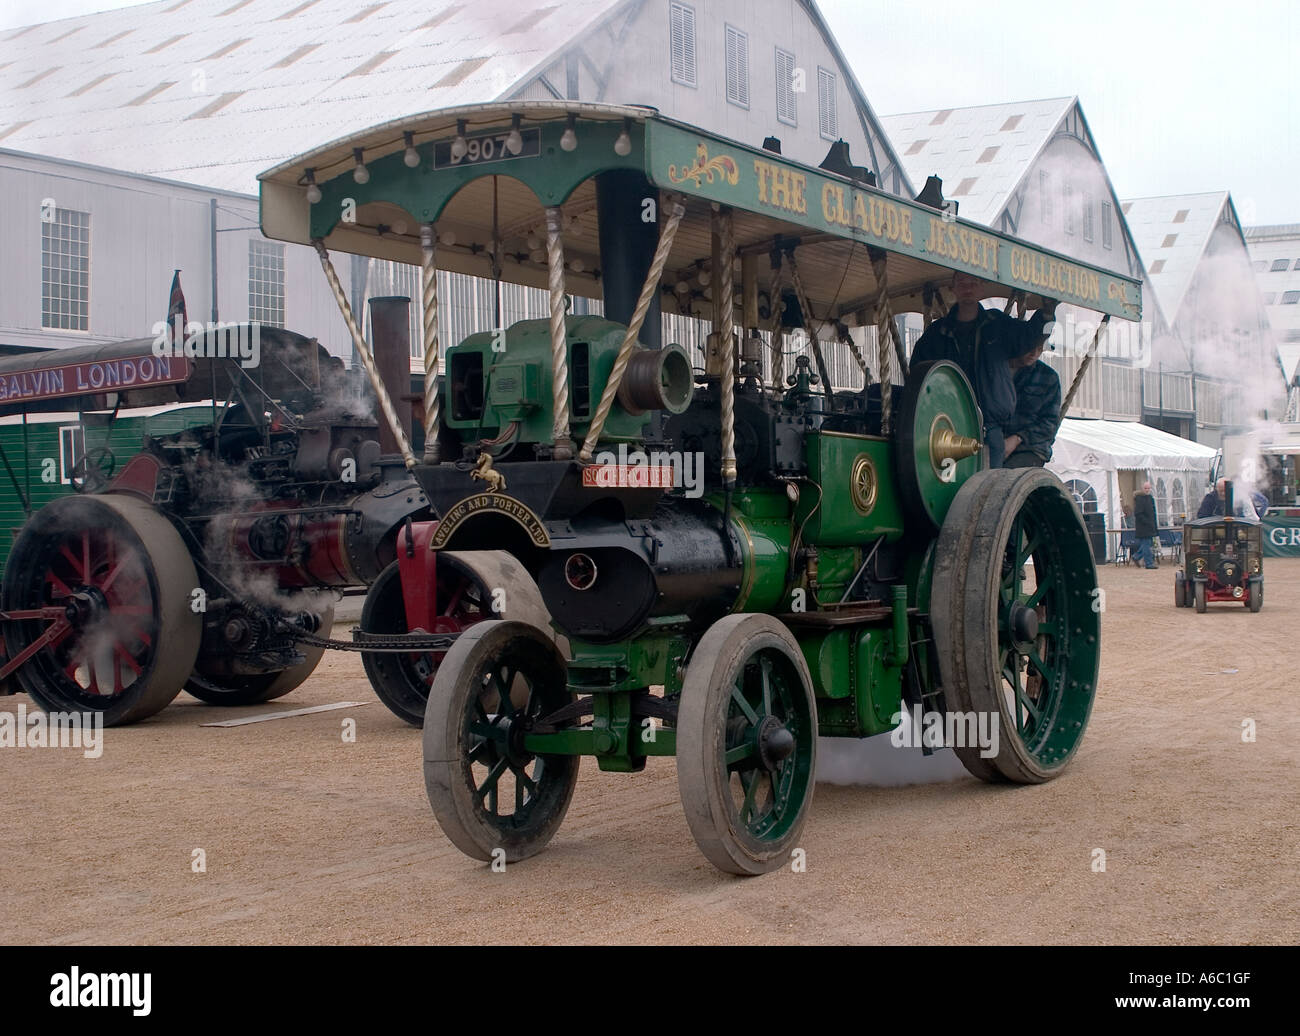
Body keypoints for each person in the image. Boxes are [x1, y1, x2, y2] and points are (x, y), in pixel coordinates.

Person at [911, 272, 1056, 468]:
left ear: (982, 288)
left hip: (989, 429)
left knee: (987, 491)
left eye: (974, 282)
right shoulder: (935, 335)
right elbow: (919, 374)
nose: (968, 287)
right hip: (947, 429)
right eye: (962, 282)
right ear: (952, 289)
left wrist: (1047, 313)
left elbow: (1031, 337)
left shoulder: (998, 325)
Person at [1003, 342, 1062, 467]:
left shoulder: (1049, 377)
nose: (1034, 354)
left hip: (1030, 448)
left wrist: (1018, 438)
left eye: (1039, 349)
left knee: (1007, 478)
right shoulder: (997, 370)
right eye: (1030, 347)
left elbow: (1050, 425)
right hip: (995, 442)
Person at [1132, 481, 1158, 569]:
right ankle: (1149, 563)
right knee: (1146, 545)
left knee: (1147, 544)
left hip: (1149, 526)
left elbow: (1153, 513)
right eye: (1145, 488)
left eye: (1148, 488)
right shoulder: (1140, 499)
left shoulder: (1150, 498)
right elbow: (1138, 513)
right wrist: (1146, 521)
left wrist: (1153, 524)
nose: (1147, 490)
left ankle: (1136, 556)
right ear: (1142, 489)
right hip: (1143, 527)